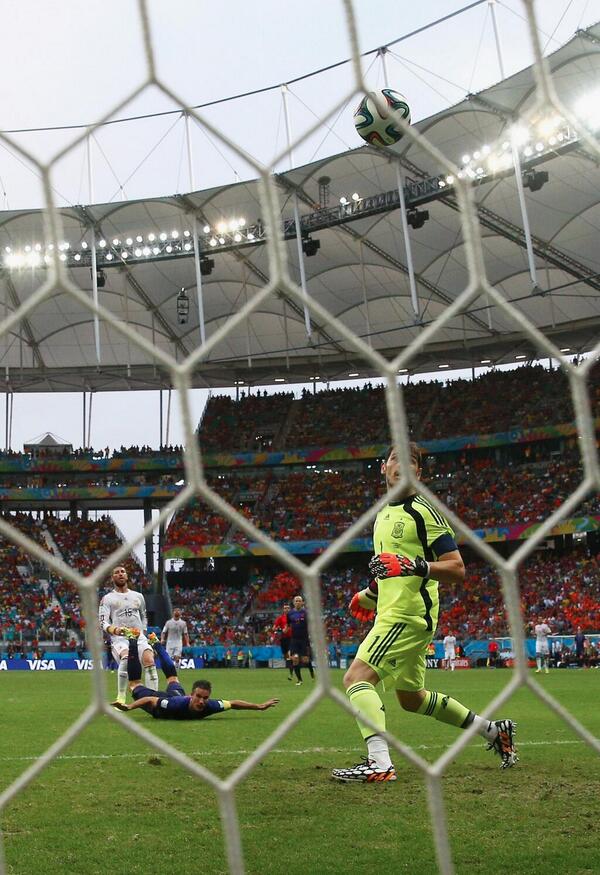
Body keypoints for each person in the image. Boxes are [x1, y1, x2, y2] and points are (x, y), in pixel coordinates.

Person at [332, 443, 517, 783]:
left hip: (408, 615)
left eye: (410, 461)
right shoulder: (383, 515)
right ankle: (493, 731)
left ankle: (379, 763)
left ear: (419, 473)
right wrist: (368, 594)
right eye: (393, 458)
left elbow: (456, 568)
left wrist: (415, 565)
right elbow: (391, 569)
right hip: (394, 612)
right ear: (384, 468)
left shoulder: (425, 512)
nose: (400, 464)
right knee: (411, 698)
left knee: (356, 678)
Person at [112, 631, 279, 720]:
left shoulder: (210, 706)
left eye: (205, 698)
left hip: (175, 696)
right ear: (191, 695)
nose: (201, 701)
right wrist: (129, 707)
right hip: (160, 705)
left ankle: (155, 643)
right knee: (134, 685)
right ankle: (133, 640)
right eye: (198, 696)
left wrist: (259, 706)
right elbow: (151, 700)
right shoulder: (175, 705)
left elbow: (233, 703)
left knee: (173, 678)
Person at [98, 565, 158, 706]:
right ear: (112, 577)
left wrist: (143, 633)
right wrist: (115, 630)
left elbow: (143, 616)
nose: (120, 574)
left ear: (127, 576)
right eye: (116, 572)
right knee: (126, 657)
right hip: (120, 638)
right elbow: (102, 622)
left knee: (150, 660)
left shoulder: (138, 596)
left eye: (123, 572)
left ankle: (152, 699)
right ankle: (121, 698)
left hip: (139, 637)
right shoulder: (108, 598)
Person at [287, 595, 315, 685]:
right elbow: (288, 625)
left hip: (304, 639)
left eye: (299, 601)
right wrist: (285, 629)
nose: (298, 602)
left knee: (305, 660)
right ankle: (299, 680)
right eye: (296, 601)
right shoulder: (290, 613)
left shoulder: (306, 613)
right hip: (294, 639)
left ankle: (312, 673)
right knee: (295, 659)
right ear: (293, 602)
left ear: (302, 602)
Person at [273, 602, 293, 680]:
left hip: (292, 638)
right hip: (283, 639)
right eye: (285, 608)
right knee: (286, 656)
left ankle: (291, 673)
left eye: (288, 608)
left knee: (290, 655)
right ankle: (292, 669)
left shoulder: (293, 617)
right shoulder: (280, 618)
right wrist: (280, 629)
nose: (286, 609)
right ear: (283, 609)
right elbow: (274, 628)